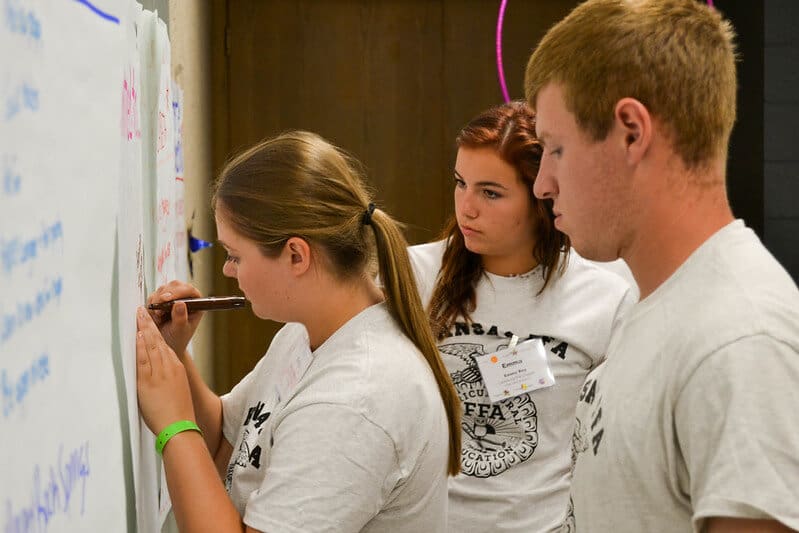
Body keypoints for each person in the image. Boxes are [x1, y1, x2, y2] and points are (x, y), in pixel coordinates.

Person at [524, 1, 799, 532]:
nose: (542, 185)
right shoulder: (658, 306)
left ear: (631, 131)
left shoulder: (740, 341)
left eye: (555, 149)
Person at [134, 130, 462, 532]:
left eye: (235, 256)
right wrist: (174, 357)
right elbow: (228, 446)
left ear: (295, 255)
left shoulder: (353, 400)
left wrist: (174, 426)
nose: (227, 271)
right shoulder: (308, 332)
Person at [407, 101, 635, 533]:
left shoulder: (605, 296)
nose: (466, 207)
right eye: (460, 183)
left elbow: (618, 447)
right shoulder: (412, 275)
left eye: (490, 193)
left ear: (542, 197)